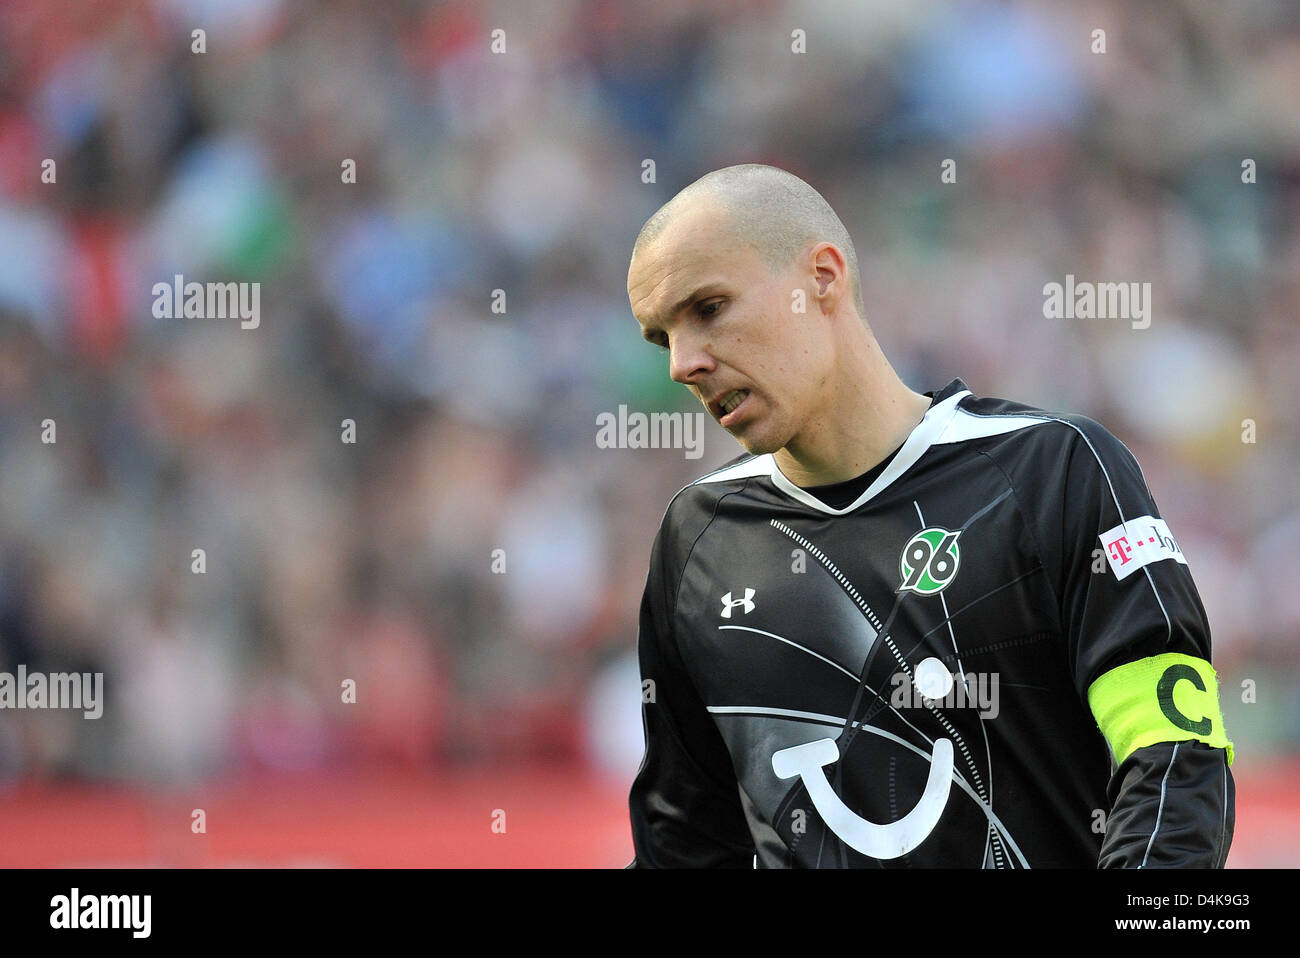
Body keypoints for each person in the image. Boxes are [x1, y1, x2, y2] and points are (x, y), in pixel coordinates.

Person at [623, 164, 1235, 868]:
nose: (683, 364)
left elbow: (1176, 759)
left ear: (822, 277)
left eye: (707, 308)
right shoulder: (696, 538)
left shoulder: (1053, 471)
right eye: (659, 337)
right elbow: (686, 848)